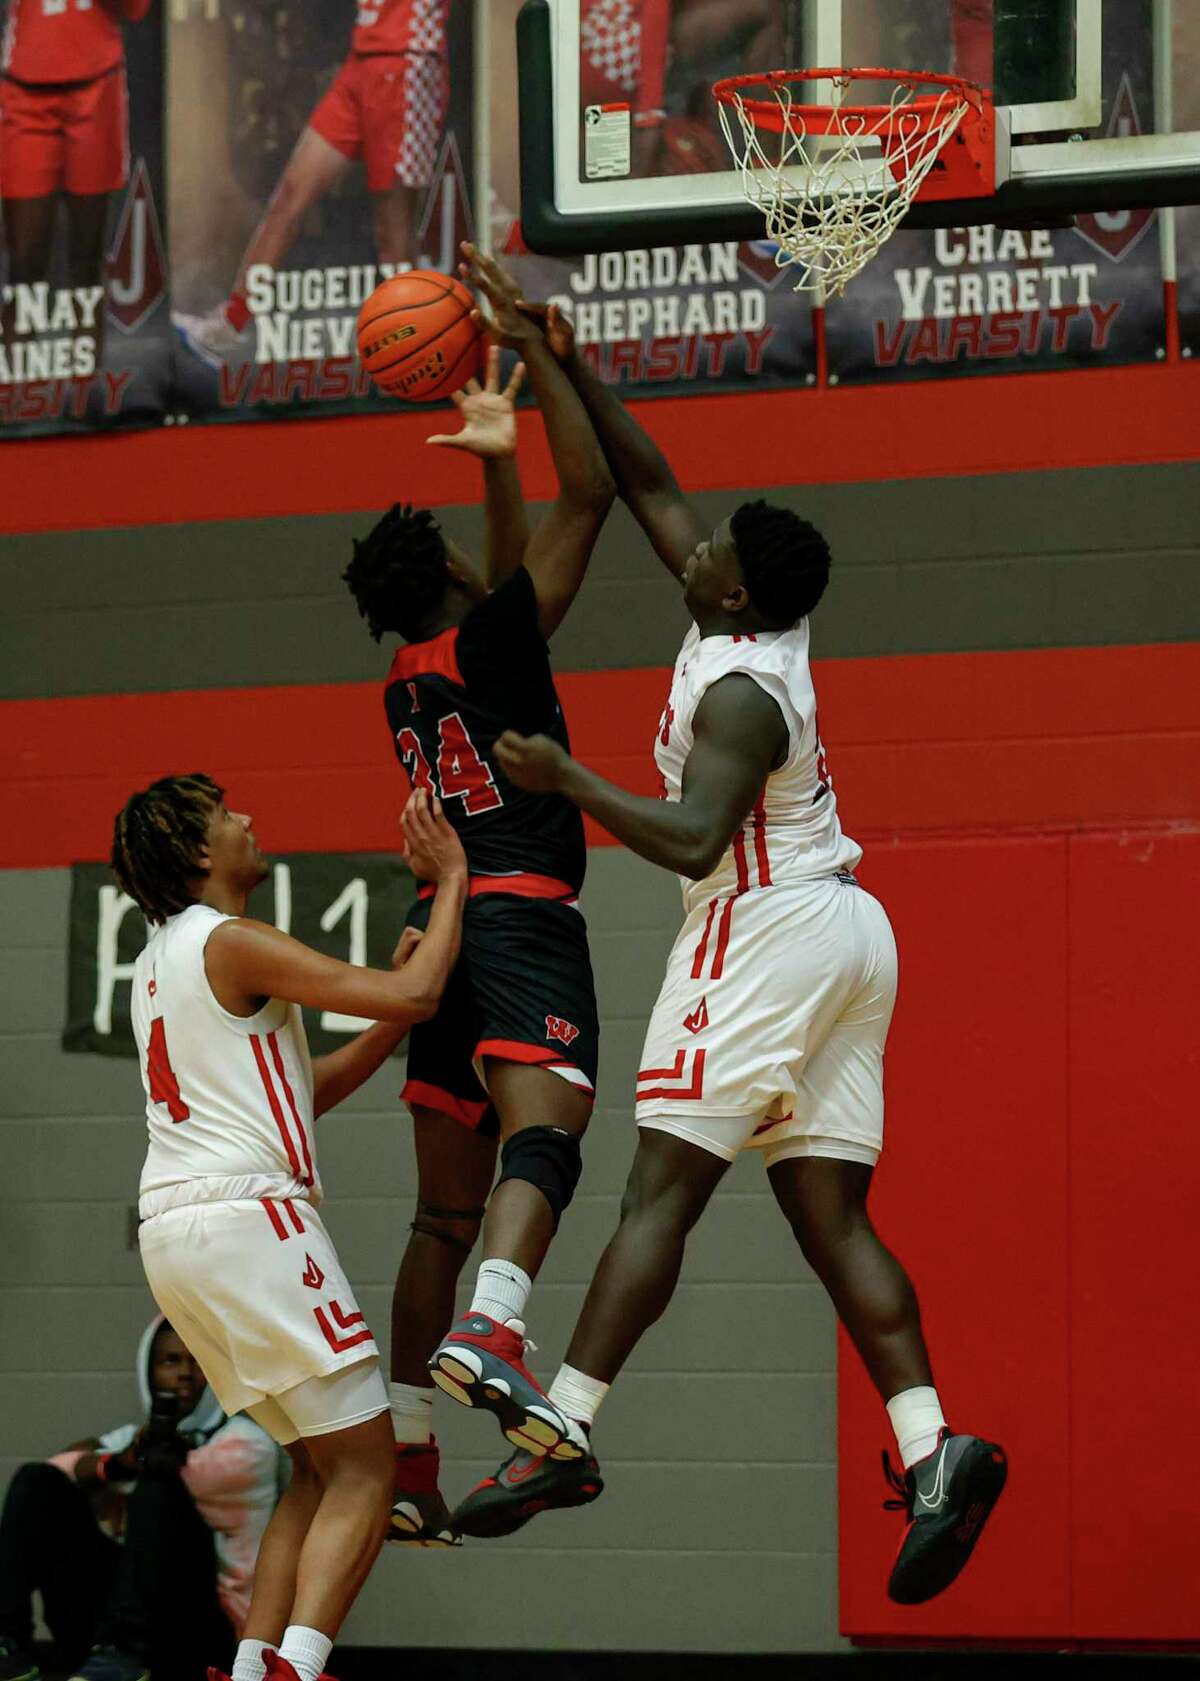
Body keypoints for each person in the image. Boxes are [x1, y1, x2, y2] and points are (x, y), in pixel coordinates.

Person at [451, 299, 1008, 1608]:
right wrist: (564, 356)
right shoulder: (746, 611)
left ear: (737, 595)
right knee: (830, 1215)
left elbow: (696, 834)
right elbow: (648, 481)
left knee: (660, 1193)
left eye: (711, 560)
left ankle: (564, 1428)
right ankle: (936, 1448)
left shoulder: (748, 692)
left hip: (758, 931)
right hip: (843, 932)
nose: (691, 555)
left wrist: (563, 772)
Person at [341, 245, 615, 1540]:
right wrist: (548, 360)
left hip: (438, 938)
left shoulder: (408, 675)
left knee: (440, 1209)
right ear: (449, 564)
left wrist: (499, 456)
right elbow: (599, 491)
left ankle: (405, 1450)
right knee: (546, 1136)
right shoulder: (494, 639)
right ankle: (500, 1324)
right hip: (515, 917)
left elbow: (507, 594)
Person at [110, 774, 467, 1681]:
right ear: (199, 853)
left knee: (315, 1465)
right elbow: (420, 991)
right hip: (247, 1220)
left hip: (176, 1234)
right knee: (370, 1465)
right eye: (229, 815)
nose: (249, 820)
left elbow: (295, 1095)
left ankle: (252, 1666)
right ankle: (298, 1669)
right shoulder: (232, 939)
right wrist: (455, 872)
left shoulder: (159, 961)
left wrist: (385, 1025)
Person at [174, 0, 453, 368]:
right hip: (362, 58)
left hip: (409, 60)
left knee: (394, 226)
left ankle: (412, 346)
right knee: (290, 195)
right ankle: (233, 324)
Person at [0, 1317, 279, 1681]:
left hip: (211, 1638)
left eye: (197, 1361)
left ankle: (123, 1651)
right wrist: (113, 1469)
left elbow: (175, 1473)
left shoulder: (247, 1443)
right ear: (149, 1372)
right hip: (114, 1627)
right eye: (170, 1362)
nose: (184, 1374)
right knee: (37, 1481)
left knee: (158, 1487)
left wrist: (114, 1488)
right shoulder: (135, 1441)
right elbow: (58, 1471)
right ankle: (8, 1642)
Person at [0, 0, 152, 360]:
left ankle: (86, 389)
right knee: (24, 265)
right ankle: (15, 388)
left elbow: (135, 8)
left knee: (87, 260)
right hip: (25, 87)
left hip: (96, 85)